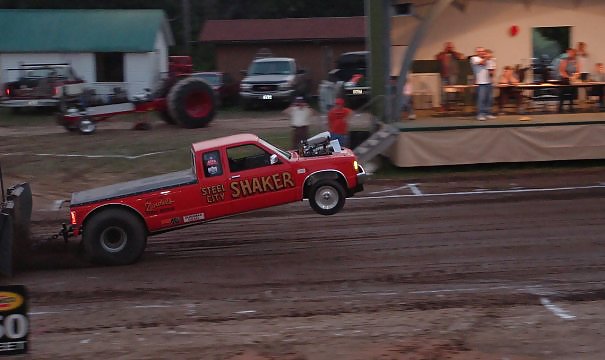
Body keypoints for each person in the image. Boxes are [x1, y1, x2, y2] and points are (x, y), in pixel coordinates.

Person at [435, 42, 464, 110]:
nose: (449, 48)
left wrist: (453, 52)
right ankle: (444, 105)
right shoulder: (442, 54)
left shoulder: (455, 54)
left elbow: (462, 57)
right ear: (445, 47)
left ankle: (451, 104)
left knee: (452, 90)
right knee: (443, 90)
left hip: (453, 75)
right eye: (448, 47)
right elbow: (437, 57)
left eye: (450, 47)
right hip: (444, 74)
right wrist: (445, 52)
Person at [470, 47, 496, 121]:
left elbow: (492, 71)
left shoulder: (489, 59)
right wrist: (487, 58)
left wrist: (492, 72)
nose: (481, 52)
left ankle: (488, 113)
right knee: (481, 99)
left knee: (489, 99)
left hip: (489, 82)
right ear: (476, 52)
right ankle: (480, 114)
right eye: (479, 51)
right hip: (480, 83)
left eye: (483, 51)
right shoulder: (474, 58)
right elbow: (482, 63)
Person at [558, 48, 579, 113]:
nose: (571, 54)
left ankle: (571, 106)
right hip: (565, 79)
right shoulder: (564, 60)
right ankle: (560, 107)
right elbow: (562, 71)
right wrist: (569, 77)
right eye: (569, 53)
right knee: (563, 92)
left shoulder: (576, 61)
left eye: (572, 53)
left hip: (573, 79)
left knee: (573, 92)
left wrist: (576, 76)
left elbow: (578, 71)